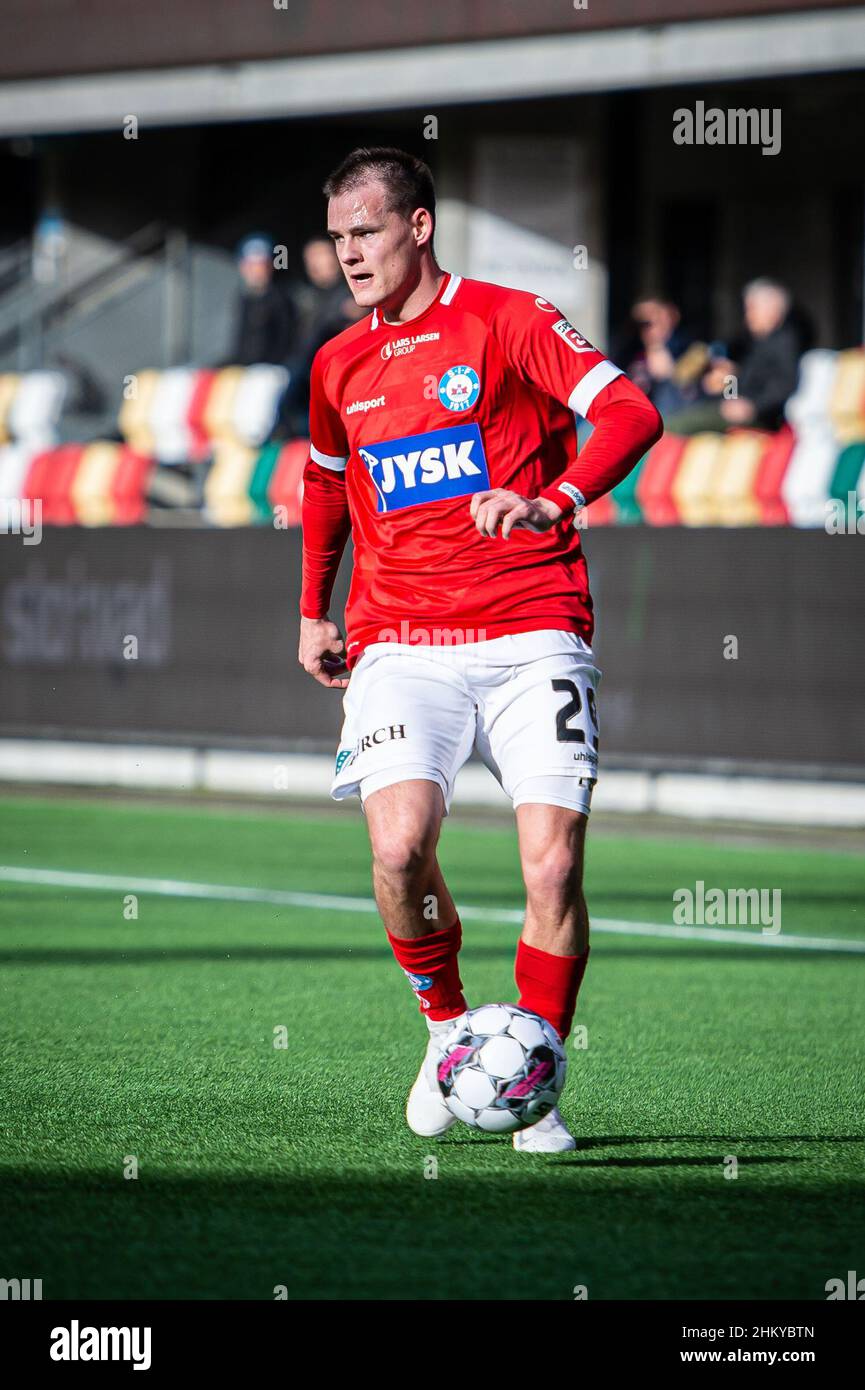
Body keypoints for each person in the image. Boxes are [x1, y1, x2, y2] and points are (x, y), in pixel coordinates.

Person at [298, 147, 662, 1152]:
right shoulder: (338, 363)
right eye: (336, 238)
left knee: (550, 872)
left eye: (365, 231)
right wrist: (311, 610)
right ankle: (449, 1030)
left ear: (417, 226)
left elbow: (631, 410)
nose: (349, 254)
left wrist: (555, 497)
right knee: (396, 848)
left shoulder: (510, 320)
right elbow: (326, 485)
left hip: (533, 624)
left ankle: (530, 1076)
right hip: (400, 639)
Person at [666, 278, 802, 435]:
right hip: (733, 407)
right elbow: (736, 388)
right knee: (679, 417)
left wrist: (753, 406)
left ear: (773, 309)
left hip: (761, 418)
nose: (748, 316)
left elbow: (785, 384)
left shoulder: (785, 341)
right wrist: (729, 381)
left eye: (752, 308)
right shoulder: (753, 342)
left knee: (675, 426)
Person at [623, 296, 708, 417]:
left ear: (671, 316)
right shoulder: (629, 353)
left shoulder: (692, 348)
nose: (646, 328)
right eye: (640, 324)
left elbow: (728, 381)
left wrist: (668, 375)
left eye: (651, 320)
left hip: (679, 419)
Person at [229, 234, 297, 367]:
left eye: (261, 265)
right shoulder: (244, 299)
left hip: (270, 373)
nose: (256, 271)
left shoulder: (282, 300)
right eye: (250, 265)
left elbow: (285, 343)